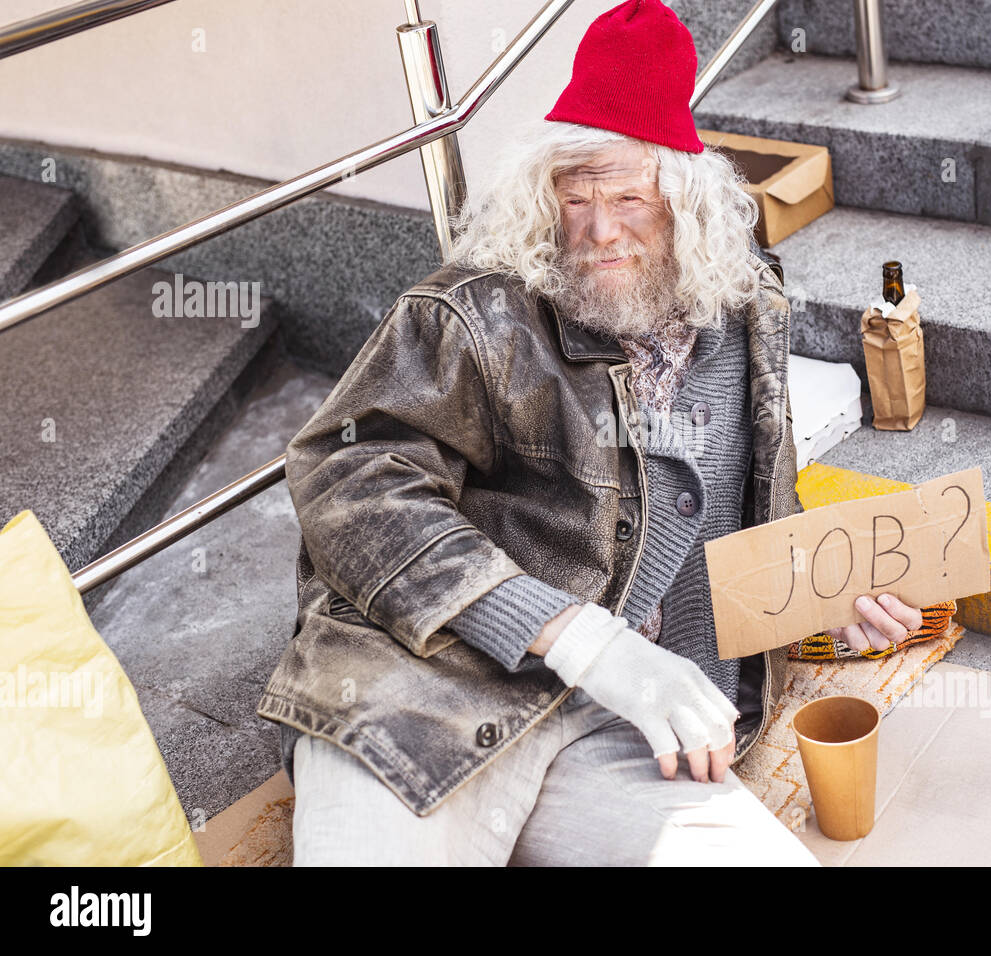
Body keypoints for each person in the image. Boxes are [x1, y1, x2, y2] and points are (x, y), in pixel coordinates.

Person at [256, 0, 936, 866]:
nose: (599, 230)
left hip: (627, 726)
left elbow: (747, 522)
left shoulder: (746, 309)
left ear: (686, 201)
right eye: (574, 197)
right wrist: (583, 641)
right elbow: (347, 479)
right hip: (426, 691)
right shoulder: (475, 313)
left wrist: (824, 600)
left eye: (627, 198)